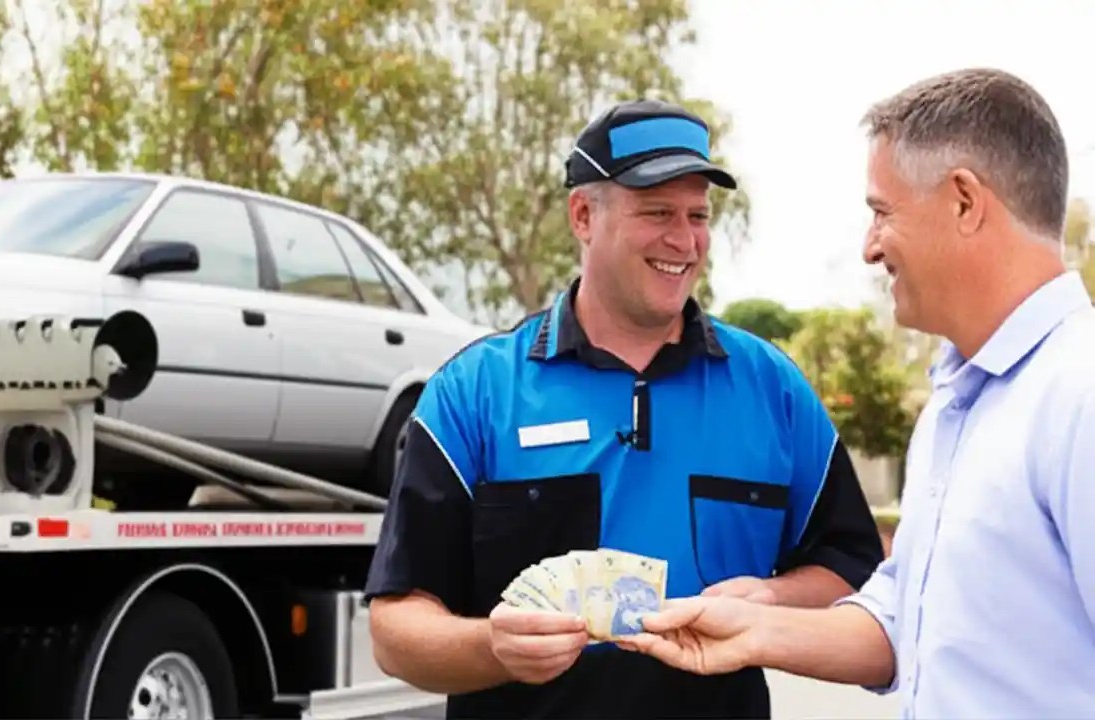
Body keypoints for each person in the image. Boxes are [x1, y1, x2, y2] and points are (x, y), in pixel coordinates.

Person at [362, 98, 884, 719]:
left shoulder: (775, 390)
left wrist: (769, 600)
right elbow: (395, 631)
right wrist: (493, 647)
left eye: (698, 215)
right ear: (583, 215)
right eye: (657, 211)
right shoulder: (472, 392)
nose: (683, 240)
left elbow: (854, 576)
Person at [618, 68, 1095, 717]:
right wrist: (752, 627)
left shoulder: (1078, 393)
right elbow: (906, 618)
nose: (870, 247)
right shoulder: (956, 405)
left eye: (881, 212)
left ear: (963, 201)